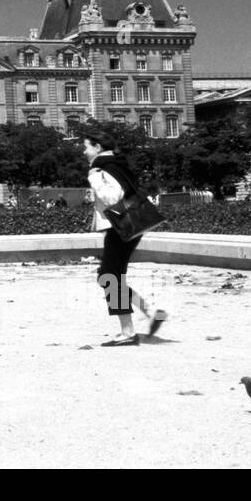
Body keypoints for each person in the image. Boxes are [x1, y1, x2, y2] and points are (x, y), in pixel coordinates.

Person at [84, 131, 167, 347]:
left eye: (87, 147)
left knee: (110, 277)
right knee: (111, 276)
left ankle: (129, 331)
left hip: (119, 227)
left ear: (98, 147)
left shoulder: (103, 168)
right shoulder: (118, 163)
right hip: (128, 226)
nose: (84, 151)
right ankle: (149, 311)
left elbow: (113, 196)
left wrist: (93, 177)